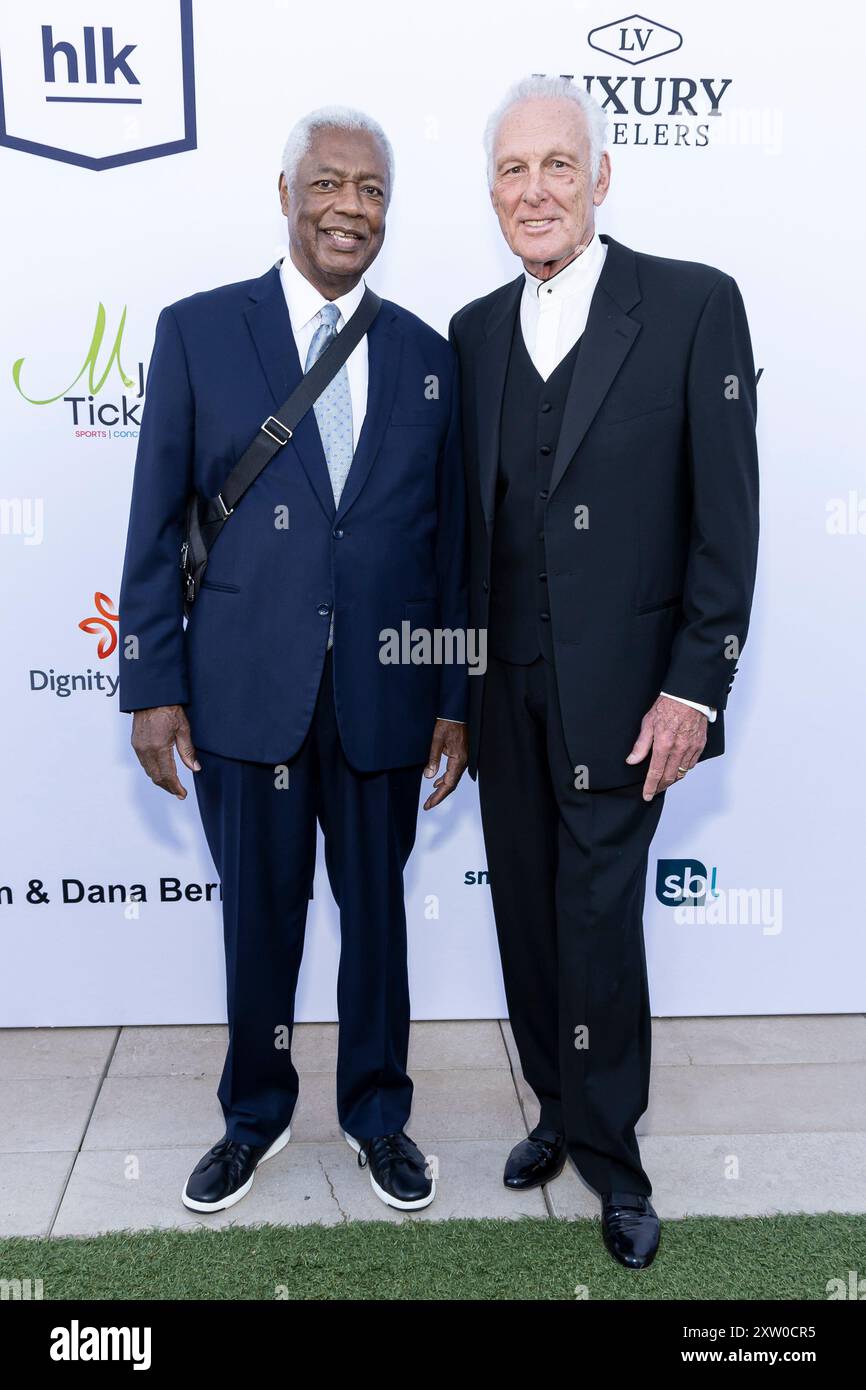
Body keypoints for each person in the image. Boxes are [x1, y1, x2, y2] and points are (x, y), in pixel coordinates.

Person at [118, 106, 468, 1214]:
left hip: (383, 698)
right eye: (327, 185)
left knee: (375, 918)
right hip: (244, 694)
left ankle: (377, 1114)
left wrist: (453, 694)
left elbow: (447, 543)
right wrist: (152, 685)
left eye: (369, 190)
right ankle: (252, 1114)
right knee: (257, 918)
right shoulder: (197, 332)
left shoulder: (426, 354)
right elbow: (152, 522)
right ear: (285, 195)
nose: (348, 208)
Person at [449, 75, 759, 1267]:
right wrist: (450, 695)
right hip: (500, 685)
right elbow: (458, 536)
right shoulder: (473, 332)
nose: (533, 191)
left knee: (596, 923)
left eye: (555, 167)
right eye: (512, 171)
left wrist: (694, 685)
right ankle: (557, 1110)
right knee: (525, 915)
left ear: (599, 177)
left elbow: (724, 524)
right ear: (490, 191)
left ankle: (614, 1158)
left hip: (630, 696)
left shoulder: (689, 306)